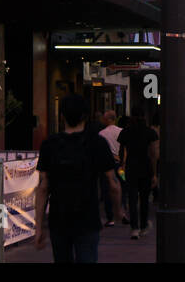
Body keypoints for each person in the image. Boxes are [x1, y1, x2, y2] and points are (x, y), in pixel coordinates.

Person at [34, 94, 121, 263]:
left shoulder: (49, 145)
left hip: (59, 219)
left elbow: (43, 187)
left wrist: (38, 227)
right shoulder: (97, 143)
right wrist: (117, 212)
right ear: (86, 116)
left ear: (62, 116)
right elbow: (113, 183)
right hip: (87, 218)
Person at [117, 114, 159, 239]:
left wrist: (122, 165)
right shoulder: (150, 132)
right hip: (146, 168)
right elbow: (153, 153)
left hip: (130, 168)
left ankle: (134, 228)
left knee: (132, 198)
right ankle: (143, 225)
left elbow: (121, 150)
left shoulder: (125, 132)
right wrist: (154, 173)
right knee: (145, 199)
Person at [98, 111, 124, 225]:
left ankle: (110, 217)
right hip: (120, 164)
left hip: (105, 165)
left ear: (108, 119)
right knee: (122, 187)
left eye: (104, 118)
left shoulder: (101, 134)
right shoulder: (121, 131)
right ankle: (122, 212)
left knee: (107, 190)